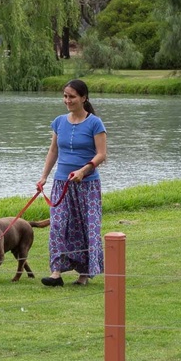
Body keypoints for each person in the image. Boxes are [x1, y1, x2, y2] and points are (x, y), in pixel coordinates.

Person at [37, 79, 107, 286]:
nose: (67, 100)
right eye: (65, 96)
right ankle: (56, 272)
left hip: (87, 185)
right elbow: (53, 151)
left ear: (84, 98)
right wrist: (44, 177)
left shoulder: (95, 123)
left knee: (86, 227)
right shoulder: (59, 122)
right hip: (62, 183)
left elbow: (101, 155)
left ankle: (84, 274)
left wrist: (84, 170)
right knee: (58, 225)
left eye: (72, 96)